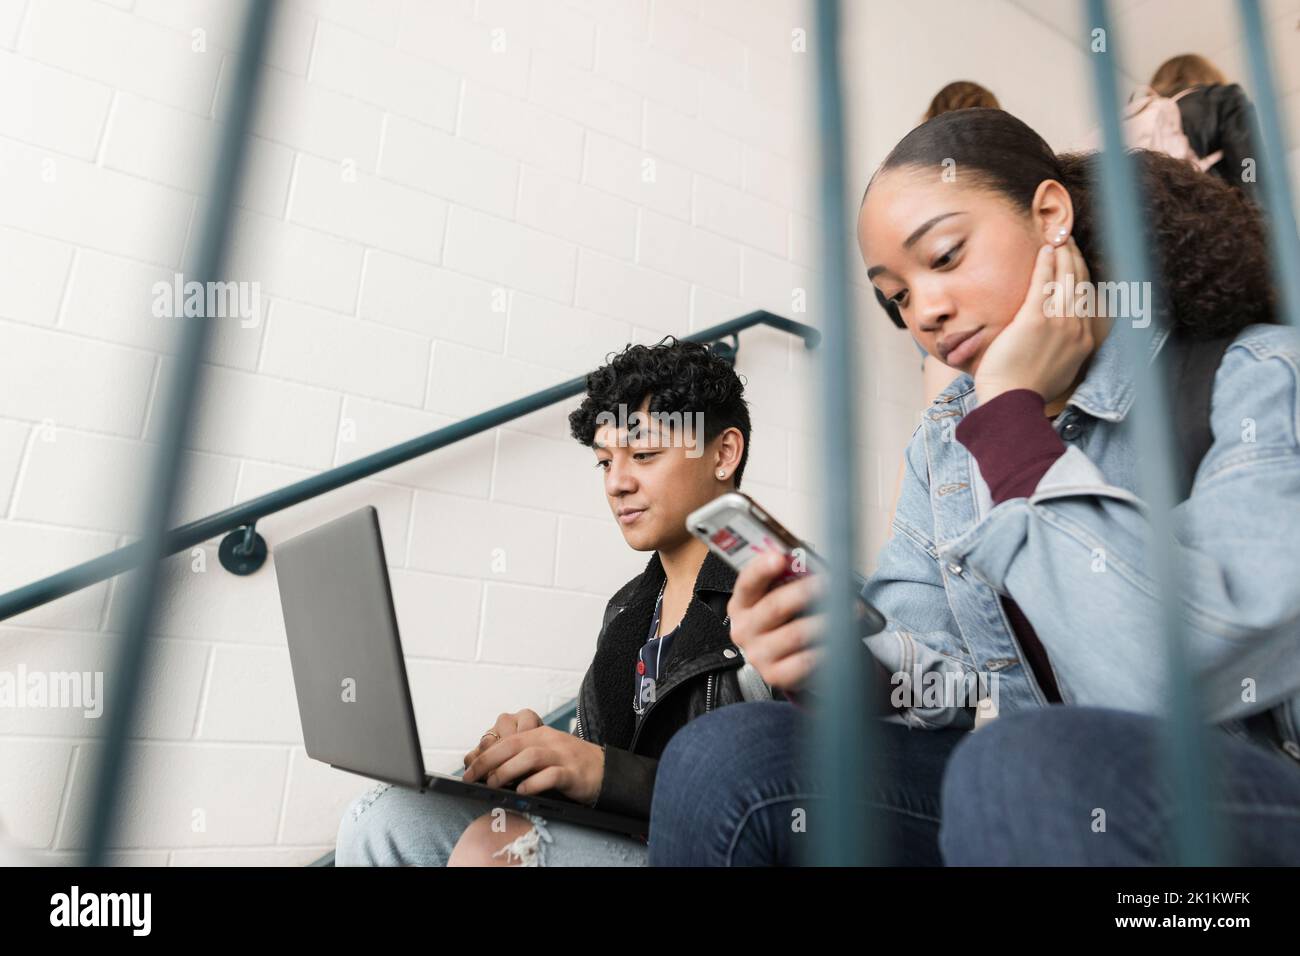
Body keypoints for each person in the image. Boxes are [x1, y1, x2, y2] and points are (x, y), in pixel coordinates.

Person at [647, 107, 1300, 866]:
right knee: (725, 758)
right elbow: (948, 689)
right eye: (896, 297)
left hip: (1240, 806)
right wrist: (844, 668)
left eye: (947, 256)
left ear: (1051, 215)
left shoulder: (1258, 376)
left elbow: (1179, 672)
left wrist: (1014, 425)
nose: (924, 311)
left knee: (1022, 764)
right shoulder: (945, 444)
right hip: (1034, 798)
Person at [335, 338, 762, 866]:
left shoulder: (781, 597)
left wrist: (602, 773)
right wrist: (542, 755)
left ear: (723, 453)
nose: (617, 483)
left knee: (502, 848)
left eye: (644, 455)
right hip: (632, 838)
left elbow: (794, 801)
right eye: (605, 462)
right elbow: (601, 772)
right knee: (385, 816)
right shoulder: (628, 610)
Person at [1148, 53, 1262, 203]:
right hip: (1215, 215)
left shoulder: (1148, 118)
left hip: (1163, 218)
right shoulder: (1225, 99)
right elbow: (1247, 161)